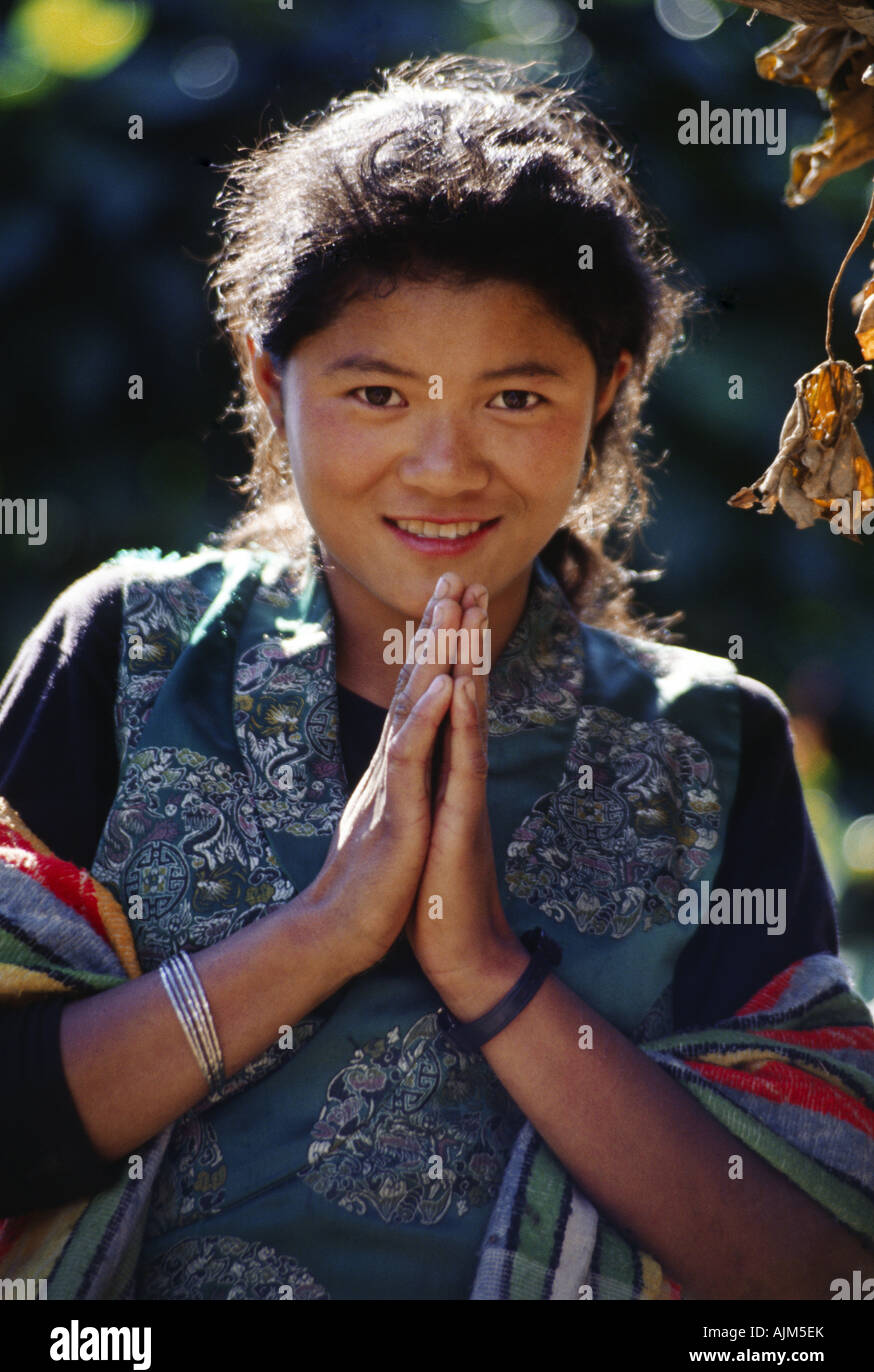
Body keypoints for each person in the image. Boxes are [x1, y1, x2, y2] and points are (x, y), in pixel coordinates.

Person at [1, 53, 872, 1302]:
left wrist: (490, 972)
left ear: (607, 391)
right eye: (376, 391)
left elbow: (812, 1269)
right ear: (268, 380)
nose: (444, 463)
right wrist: (317, 935)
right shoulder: (127, 654)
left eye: (515, 394)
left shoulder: (710, 745)